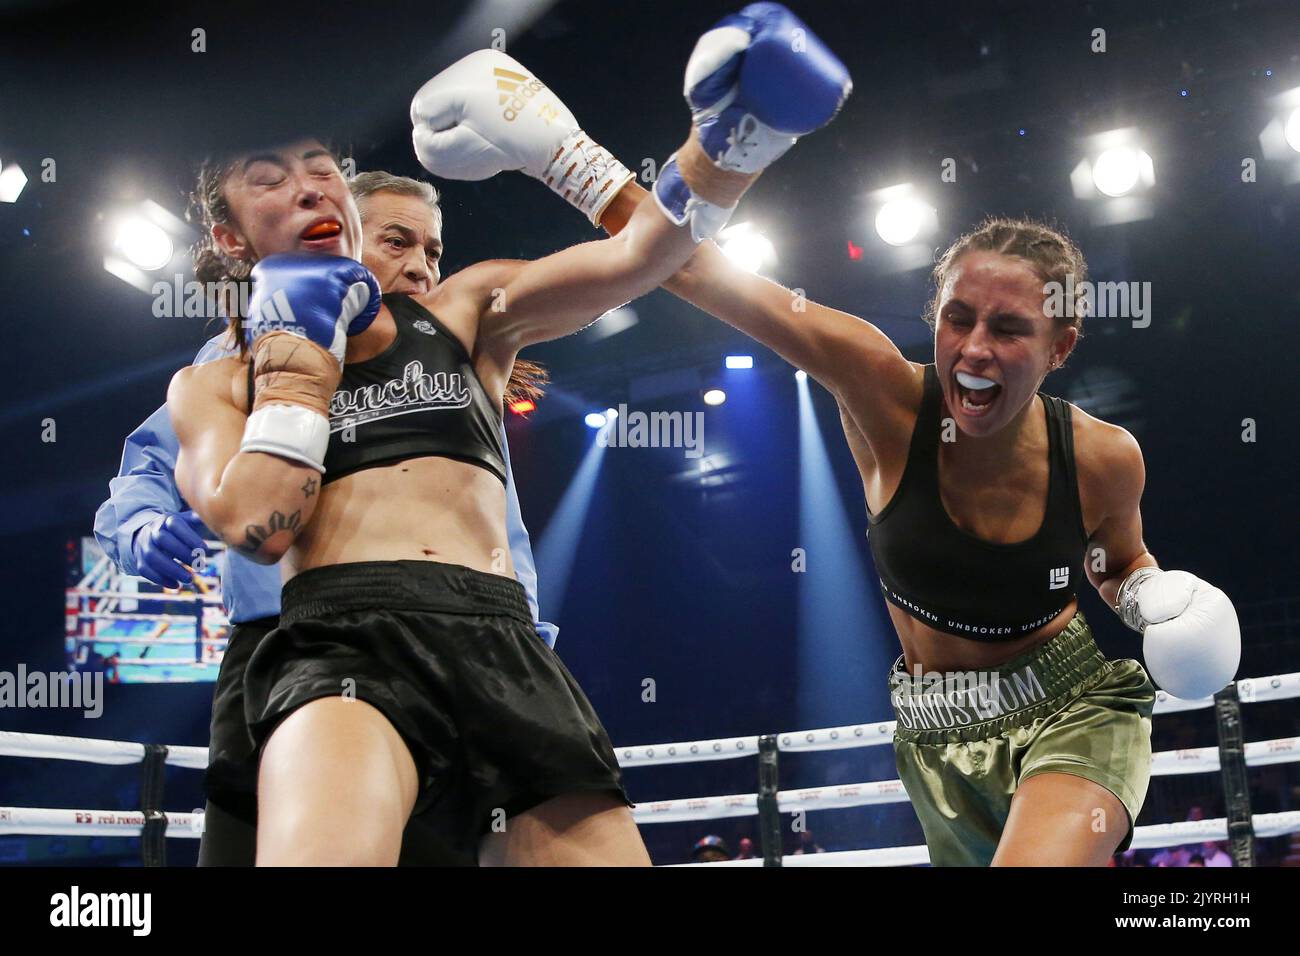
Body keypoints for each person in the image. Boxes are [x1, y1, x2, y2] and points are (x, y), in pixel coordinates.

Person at [420, 44, 1243, 866]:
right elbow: (699, 273)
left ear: (1061, 346)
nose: (975, 349)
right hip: (933, 734)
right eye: (958, 318)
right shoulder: (881, 388)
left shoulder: (1103, 457)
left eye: (1009, 329)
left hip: (1075, 710)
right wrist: (561, 156)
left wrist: (1147, 596)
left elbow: (1115, 557)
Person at [168, 6, 849, 865]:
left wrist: (736, 142)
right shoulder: (215, 382)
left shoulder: (465, 310)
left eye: (320, 168)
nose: (308, 186)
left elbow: (642, 254)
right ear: (229, 237)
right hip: (343, 644)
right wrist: (297, 368)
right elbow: (257, 525)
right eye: (269, 178)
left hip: (499, 638)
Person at [94, 170, 556, 866]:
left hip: (466, 638)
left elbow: (498, 521)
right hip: (286, 644)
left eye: (433, 252)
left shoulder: (458, 349)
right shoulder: (245, 357)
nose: (422, 268)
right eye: (397, 242)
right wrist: (137, 528)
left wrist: (525, 644)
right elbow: (150, 466)